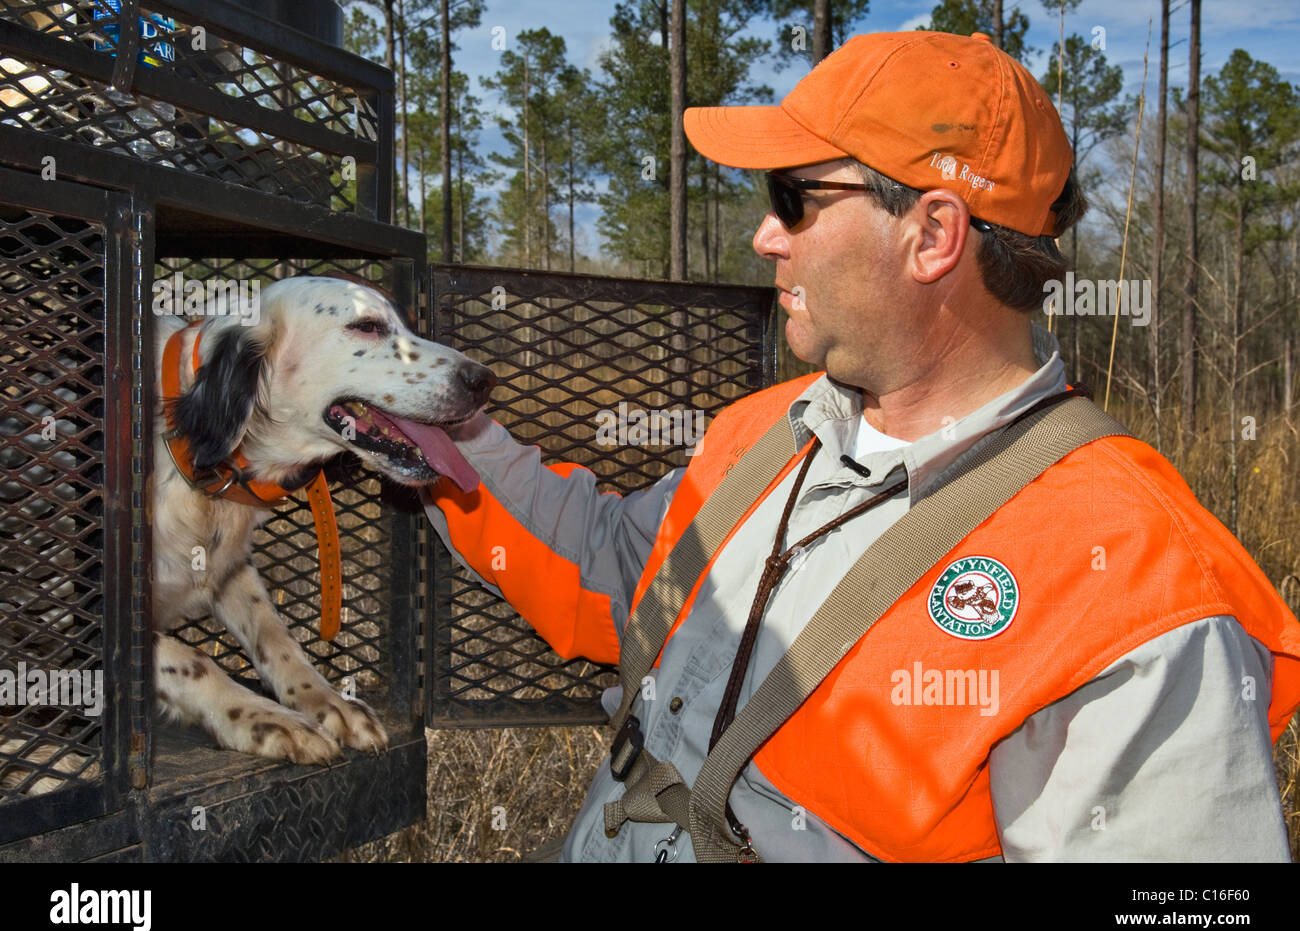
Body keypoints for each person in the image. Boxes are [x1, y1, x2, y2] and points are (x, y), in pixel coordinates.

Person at [422, 31, 1300, 862]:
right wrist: (433, 434)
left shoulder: (1131, 584)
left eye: (793, 198)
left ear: (932, 234)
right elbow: (612, 567)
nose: (767, 235)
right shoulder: (763, 432)